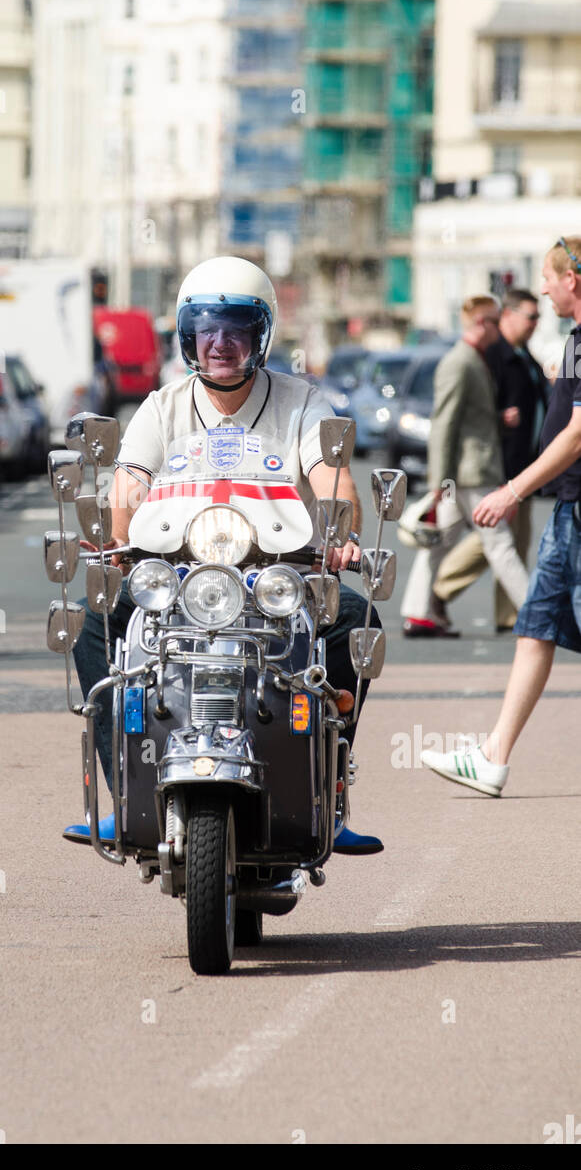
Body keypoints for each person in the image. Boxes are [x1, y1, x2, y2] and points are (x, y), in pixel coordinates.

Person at [64, 255, 384, 854]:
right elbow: (129, 483)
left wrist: (339, 535)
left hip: (276, 571)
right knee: (92, 621)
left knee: (352, 622)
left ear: (260, 334)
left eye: (236, 327)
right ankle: (122, 796)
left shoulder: (300, 402)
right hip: (180, 571)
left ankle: (328, 789)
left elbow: (332, 476)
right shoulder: (163, 406)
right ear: (188, 335)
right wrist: (116, 536)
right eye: (206, 328)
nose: (220, 343)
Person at [422, 237, 581, 795]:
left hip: (575, 509)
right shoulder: (572, 342)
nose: (541, 288)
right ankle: (493, 757)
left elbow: (578, 434)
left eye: (546, 278)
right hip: (568, 512)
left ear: (573, 281)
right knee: (535, 626)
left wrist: (512, 490)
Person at [399, 295, 529, 637]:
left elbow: (468, 419)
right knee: (500, 544)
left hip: (463, 474)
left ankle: (418, 614)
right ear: (481, 323)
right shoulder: (460, 362)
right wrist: (439, 483)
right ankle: (535, 612)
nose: (500, 329)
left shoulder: (471, 358)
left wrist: (498, 419)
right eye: (496, 321)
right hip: (470, 474)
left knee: (439, 542)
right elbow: (445, 424)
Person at [430, 289, 550, 631]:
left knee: (509, 542)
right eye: (531, 316)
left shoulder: (522, 354)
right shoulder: (492, 356)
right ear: (508, 316)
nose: (536, 323)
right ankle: (442, 590)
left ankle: (507, 614)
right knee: (497, 542)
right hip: (500, 467)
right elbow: (461, 418)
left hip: (522, 465)